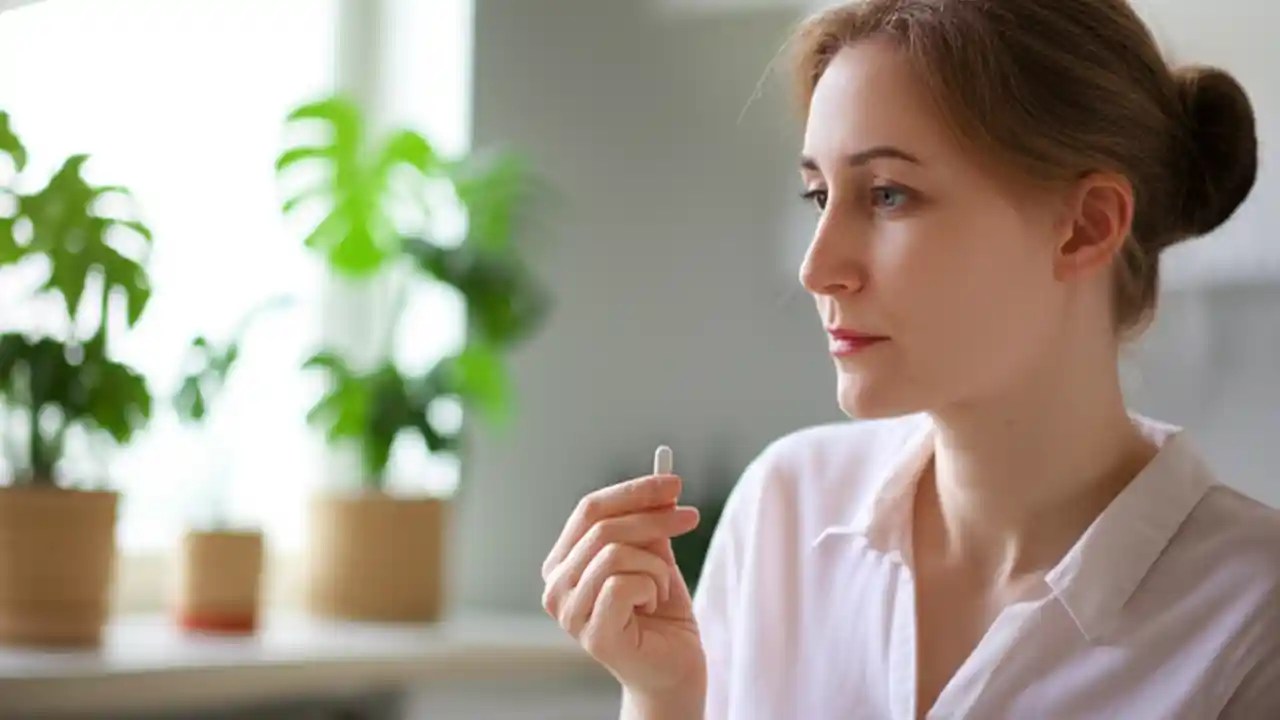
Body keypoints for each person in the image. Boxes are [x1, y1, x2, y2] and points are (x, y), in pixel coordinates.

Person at [539, 0, 1279, 717]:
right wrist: (663, 697)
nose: (817, 267)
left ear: (1086, 227)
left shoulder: (1254, 615)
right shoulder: (787, 510)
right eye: (817, 194)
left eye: (888, 194)